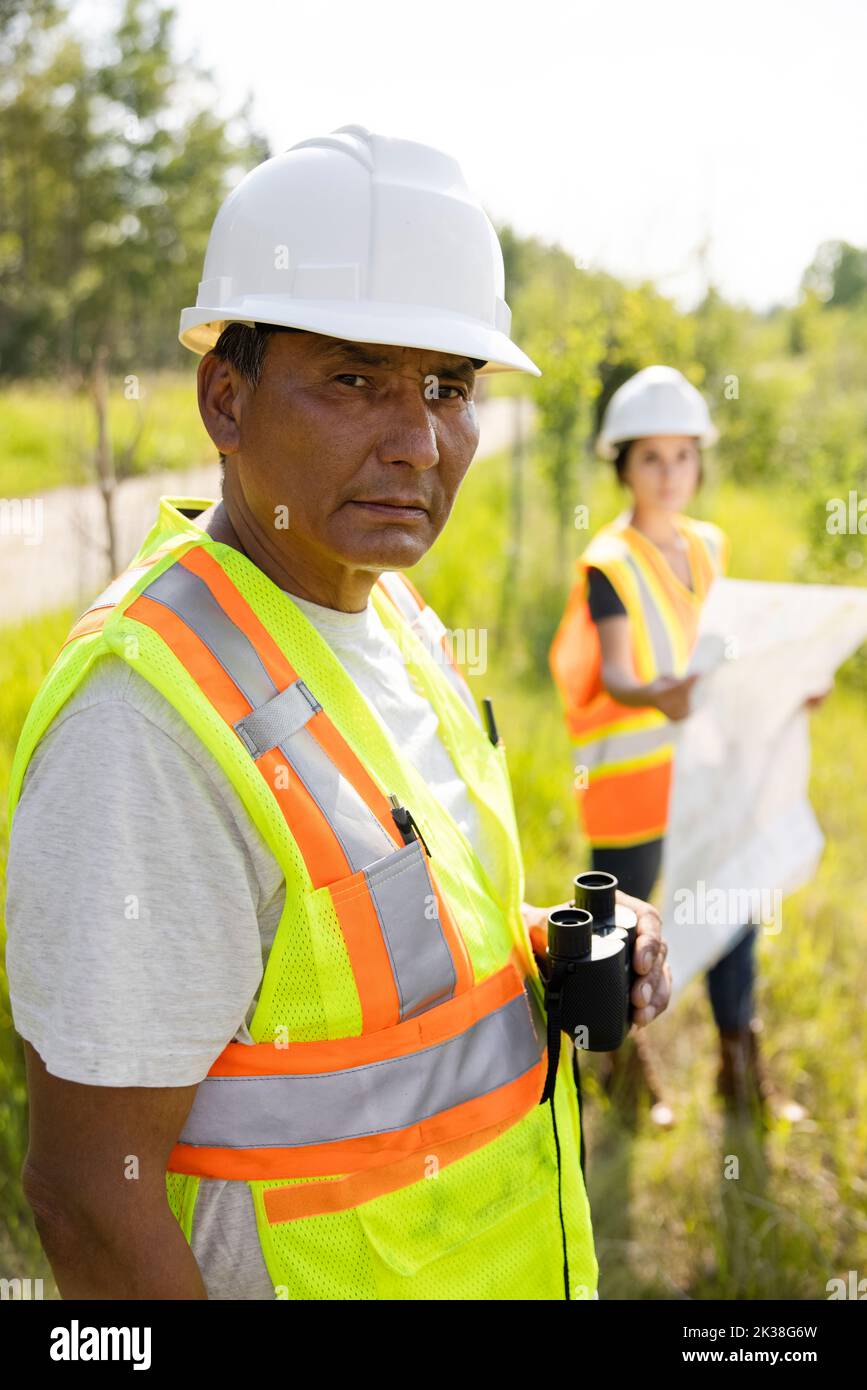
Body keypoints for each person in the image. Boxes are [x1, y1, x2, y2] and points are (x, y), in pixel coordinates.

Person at [5, 126, 671, 1301]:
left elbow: (346, 947)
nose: (417, 441)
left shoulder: (391, 615)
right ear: (226, 397)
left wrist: (531, 944)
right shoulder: (144, 723)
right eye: (355, 378)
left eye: (448, 389)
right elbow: (87, 1197)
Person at [549, 365, 807, 1126]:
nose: (669, 474)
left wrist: (789, 680)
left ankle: (738, 1067)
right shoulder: (609, 562)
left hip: (703, 769)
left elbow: (727, 651)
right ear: (622, 465)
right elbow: (624, 675)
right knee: (624, 925)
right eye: (650, 458)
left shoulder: (709, 547)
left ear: (700, 460)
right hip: (630, 777)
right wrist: (660, 693)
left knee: (731, 904)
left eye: (682, 456)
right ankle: (619, 1070)